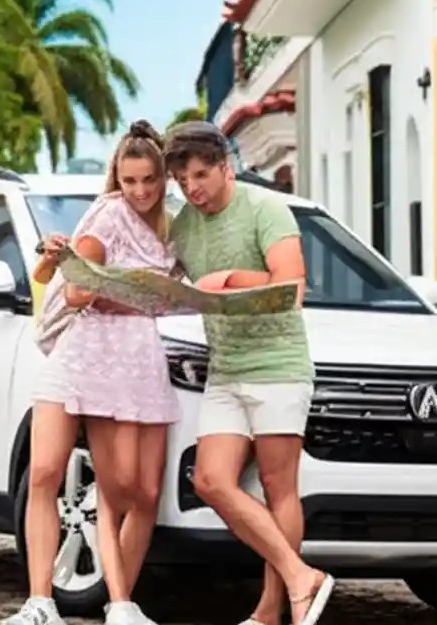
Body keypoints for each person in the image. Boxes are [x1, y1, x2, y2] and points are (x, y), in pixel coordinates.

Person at [4, 121, 179, 625]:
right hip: (83, 353)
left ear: (163, 177)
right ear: (116, 180)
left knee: (130, 489)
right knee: (44, 473)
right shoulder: (107, 214)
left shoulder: (174, 228)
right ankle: (40, 602)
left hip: (136, 359)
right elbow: (76, 291)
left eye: (149, 180)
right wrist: (125, 293)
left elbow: (185, 287)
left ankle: (118, 603)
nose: (140, 191)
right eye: (130, 181)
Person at [163, 120, 333, 625]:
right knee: (212, 480)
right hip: (226, 369)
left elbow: (292, 289)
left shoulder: (266, 208)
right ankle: (303, 576)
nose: (192, 188)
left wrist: (229, 280)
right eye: (182, 180)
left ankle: (269, 611)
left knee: (280, 488)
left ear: (225, 165)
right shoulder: (184, 228)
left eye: (200, 175)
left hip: (278, 366)